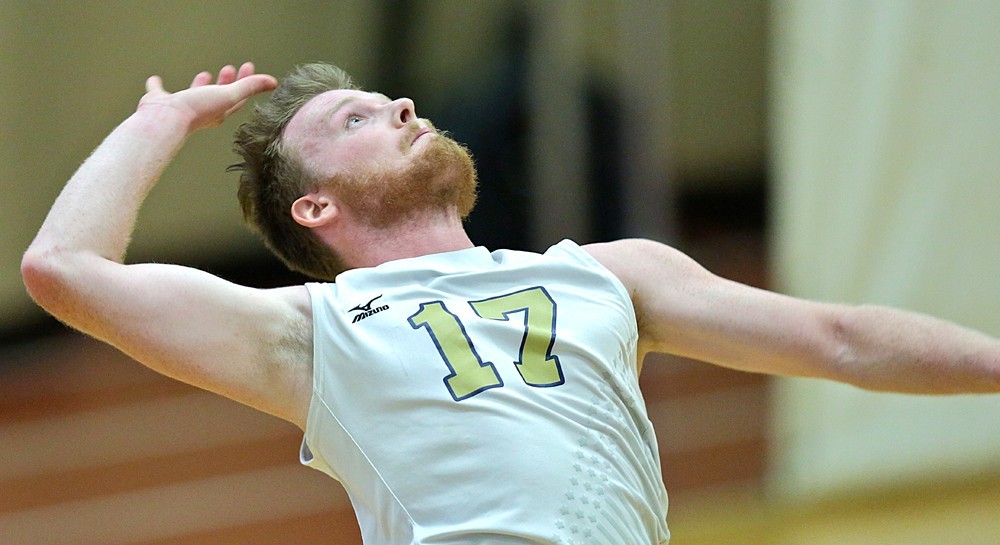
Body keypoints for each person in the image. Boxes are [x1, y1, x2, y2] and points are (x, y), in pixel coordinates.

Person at [21, 62, 1000, 545]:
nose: (402, 107)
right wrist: (160, 122)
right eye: (354, 118)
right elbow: (64, 266)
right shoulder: (307, 330)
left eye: (392, 101)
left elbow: (842, 336)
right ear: (313, 206)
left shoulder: (610, 272)